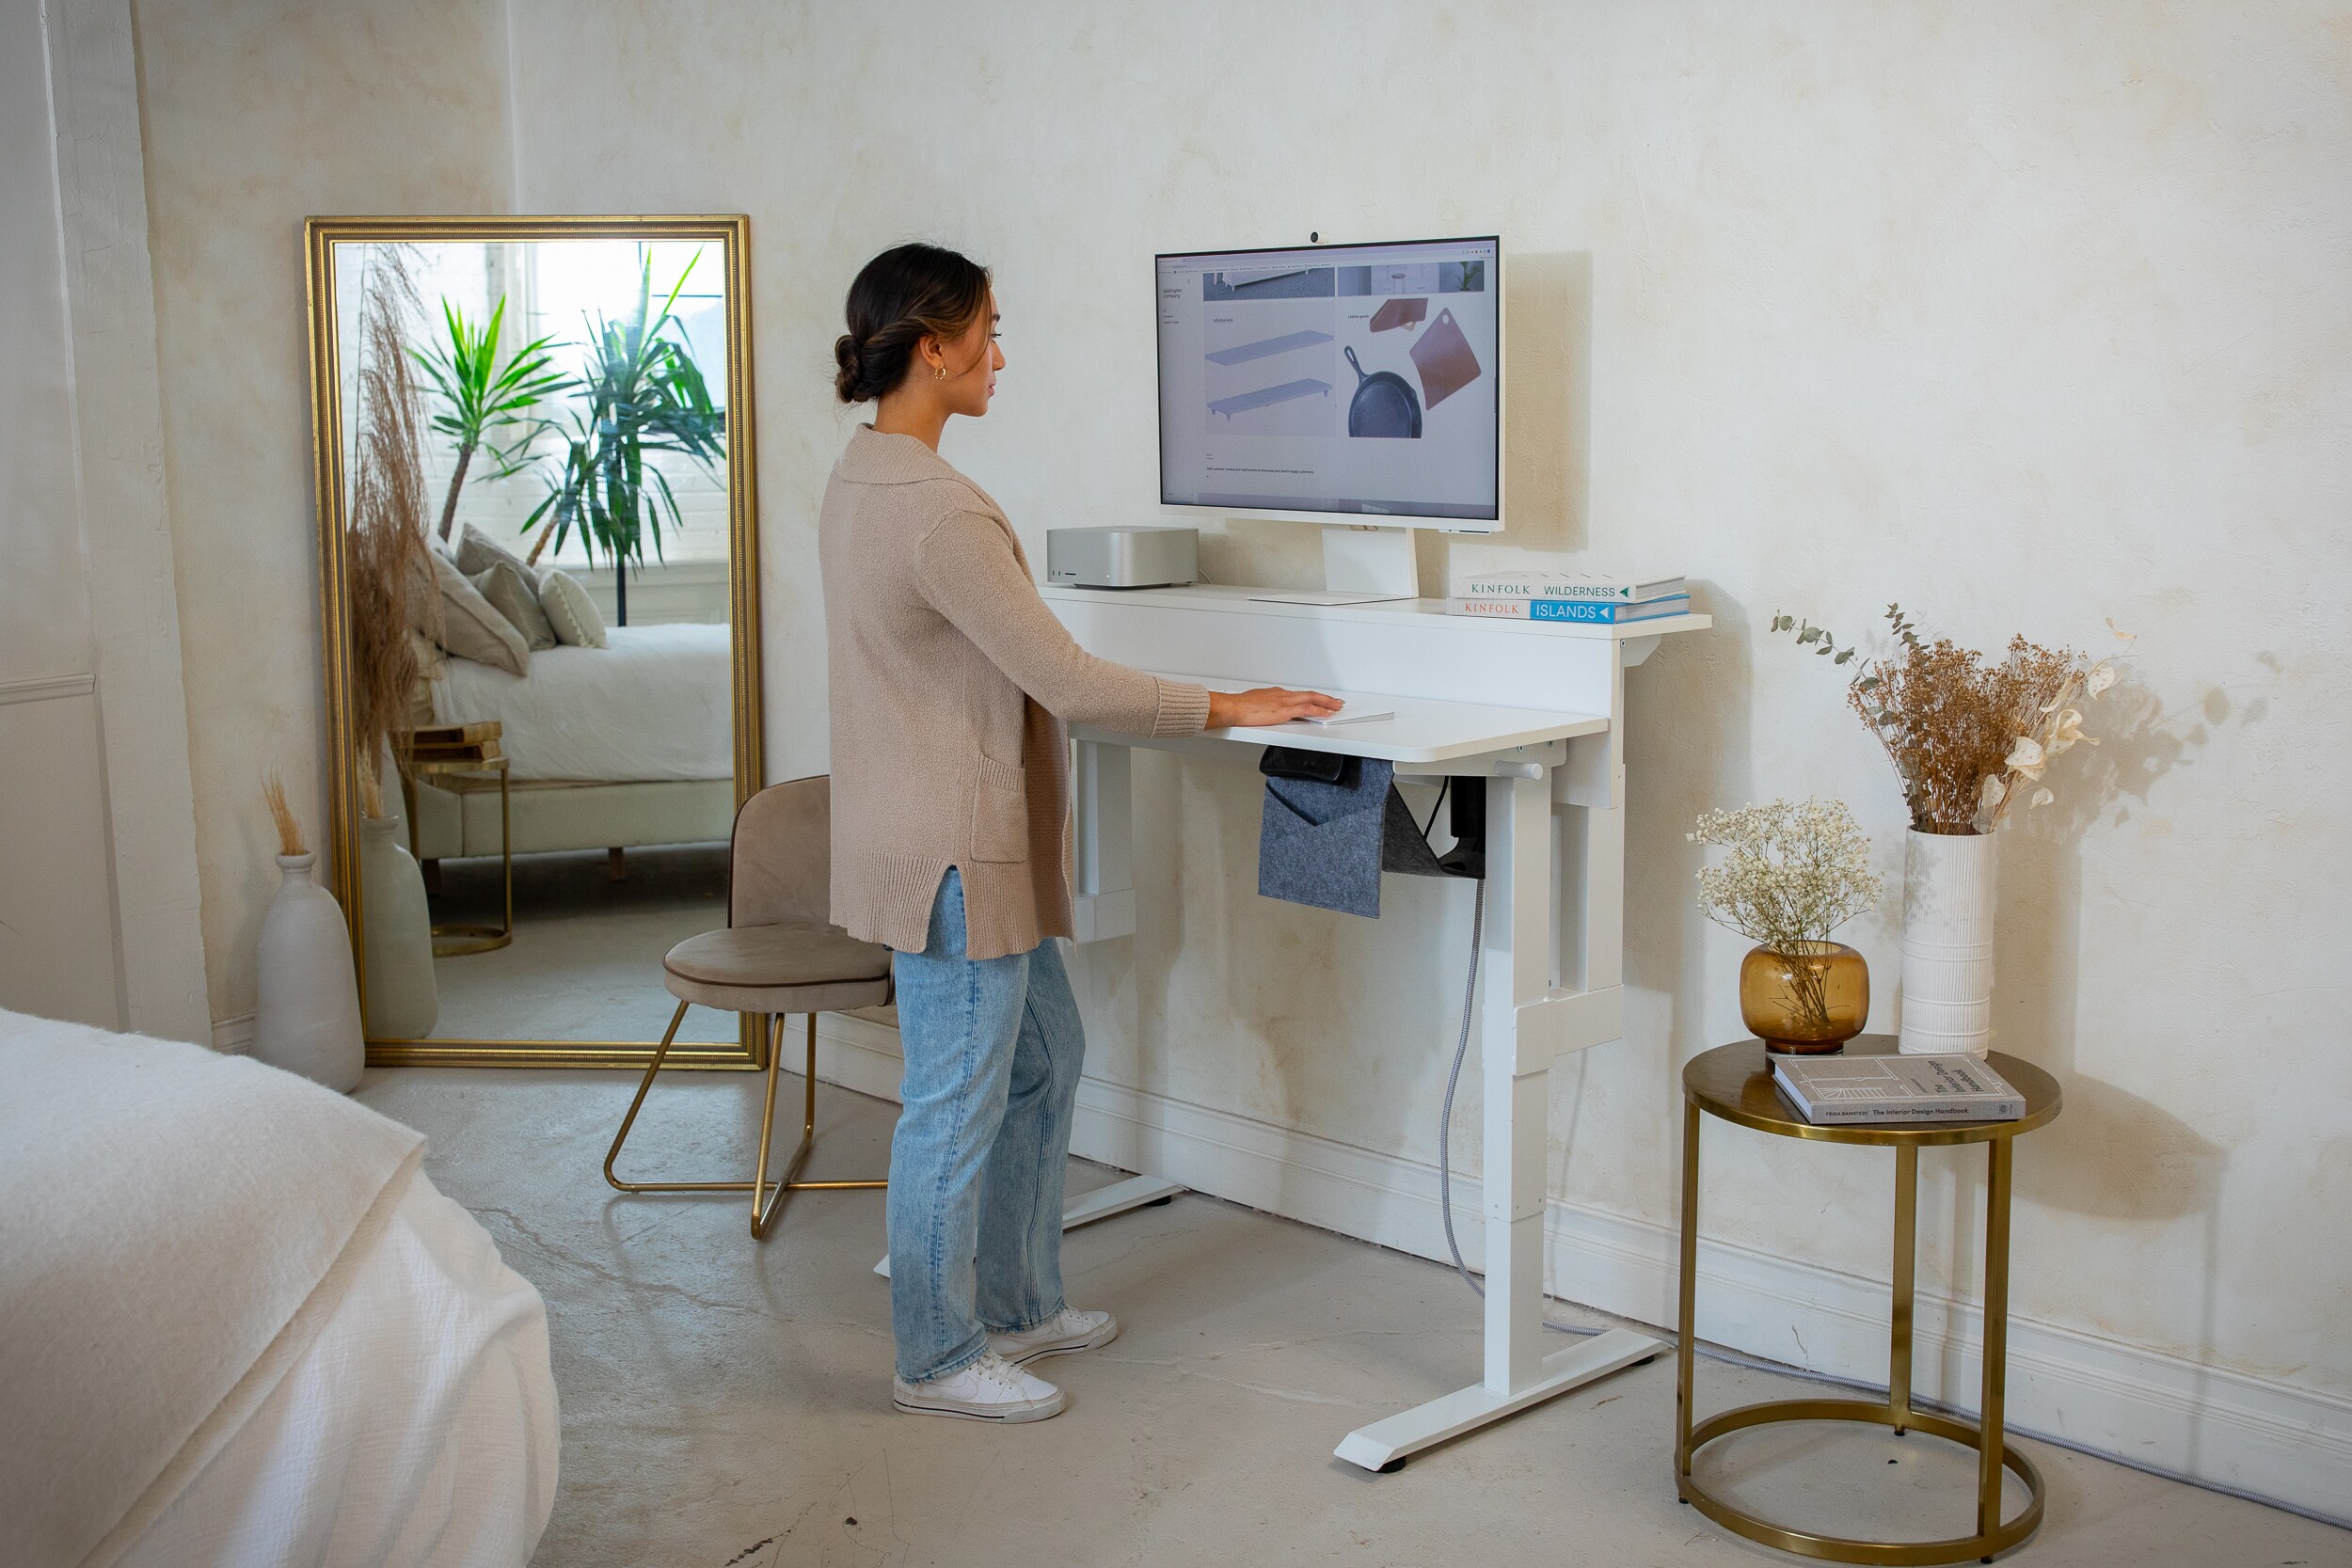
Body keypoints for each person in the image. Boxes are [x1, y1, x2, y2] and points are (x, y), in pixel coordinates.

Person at [820, 243, 1339, 1422]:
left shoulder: (863, 473)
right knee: (952, 1101)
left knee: (1045, 1060)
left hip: (936, 838)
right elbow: (1065, 678)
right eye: (989, 332)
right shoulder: (939, 511)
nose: (1001, 355)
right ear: (935, 344)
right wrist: (1230, 705)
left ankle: (1016, 1298)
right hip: (954, 851)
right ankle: (938, 1356)